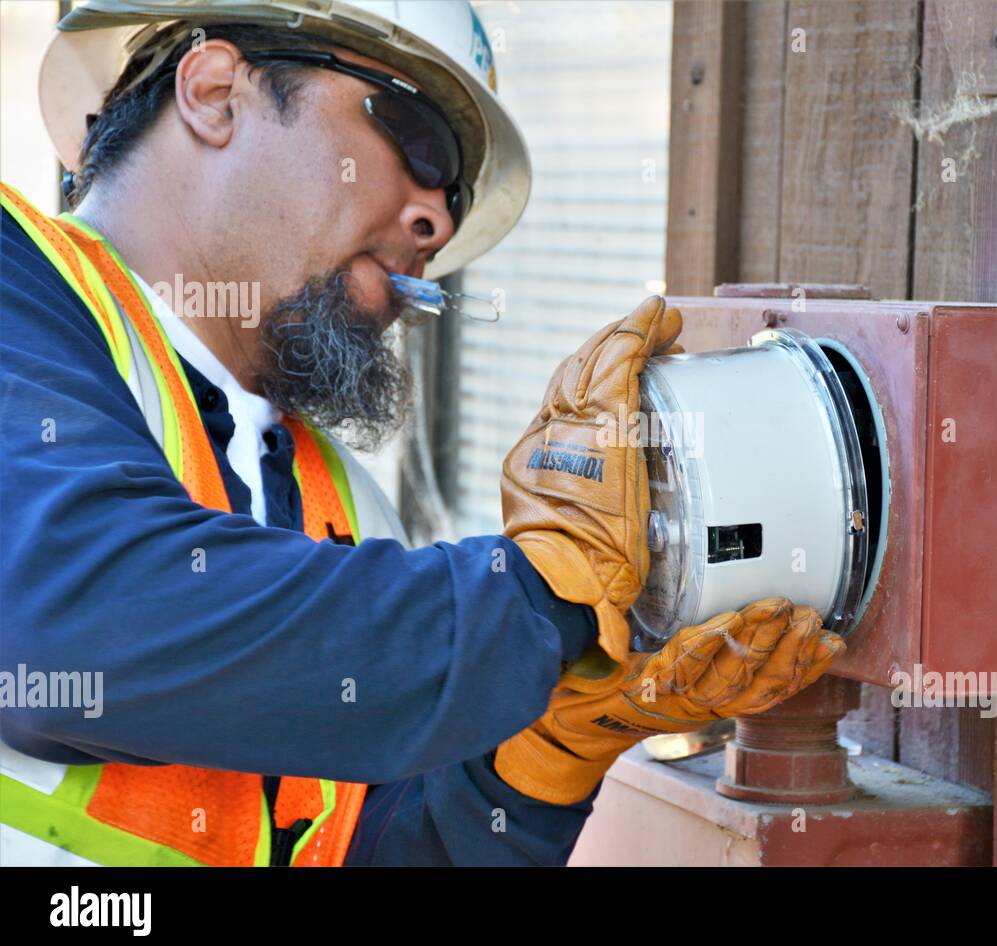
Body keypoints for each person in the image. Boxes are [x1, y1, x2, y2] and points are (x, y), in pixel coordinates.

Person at [0, 0, 843, 867]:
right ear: (216, 92)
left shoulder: (349, 516)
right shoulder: (13, 285)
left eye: (456, 192)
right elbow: (67, 622)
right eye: (419, 137)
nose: (439, 222)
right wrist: (537, 601)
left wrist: (532, 762)